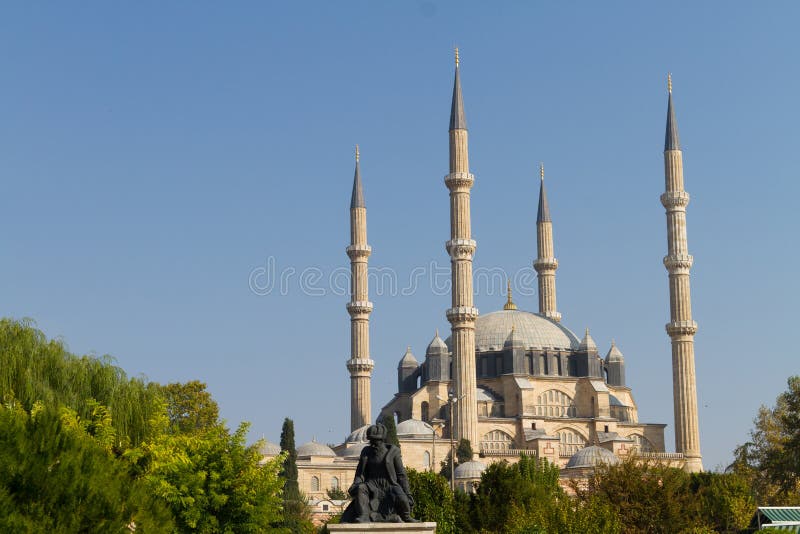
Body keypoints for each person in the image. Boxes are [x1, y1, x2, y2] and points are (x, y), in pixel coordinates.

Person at [341, 423, 418, 523]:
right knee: (361, 488)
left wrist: (407, 493)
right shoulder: (366, 452)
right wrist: (355, 484)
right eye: (371, 440)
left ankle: (406, 516)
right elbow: (360, 474)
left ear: (382, 440)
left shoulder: (393, 452)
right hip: (371, 484)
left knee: (401, 497)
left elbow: (401, 475)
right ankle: (363, 515)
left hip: (389, 485)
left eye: (375, 441)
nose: (373, 443)